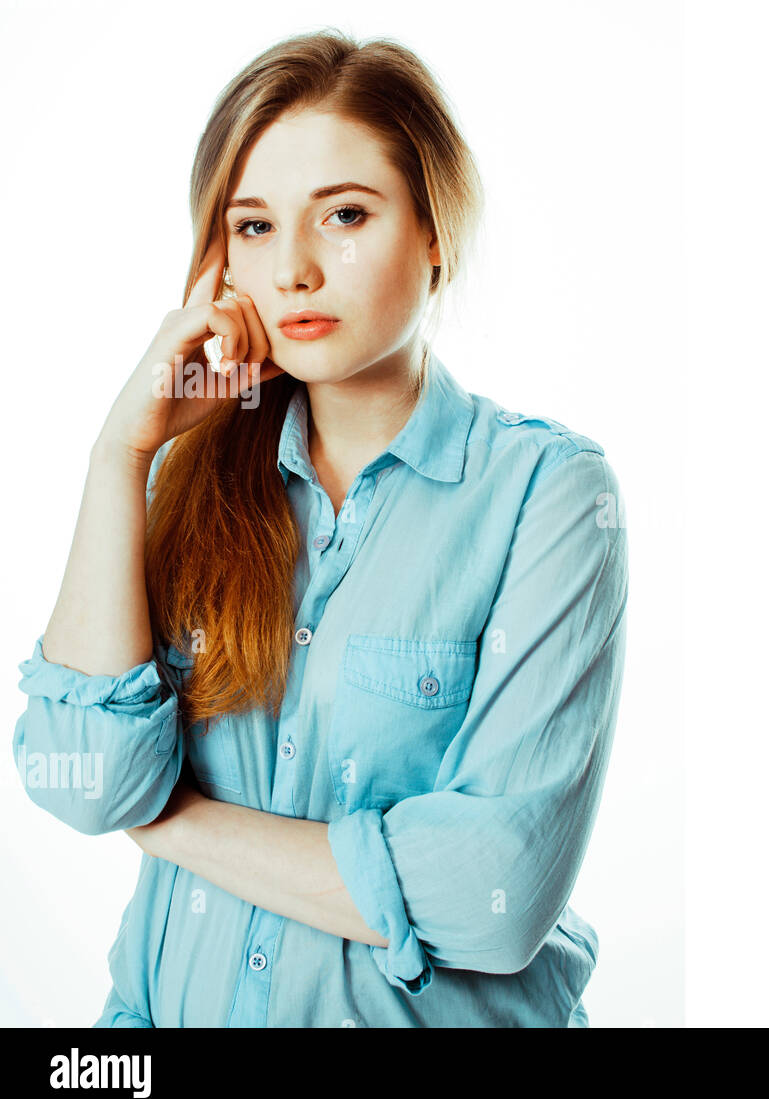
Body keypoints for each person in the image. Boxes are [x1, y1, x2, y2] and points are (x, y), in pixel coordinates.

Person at [11, 28, 628, 1028]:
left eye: (343, 214)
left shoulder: (544, 495)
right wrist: (119, 454)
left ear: (435, 230)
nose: (293, 268)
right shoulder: (179, 475)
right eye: (252, 227)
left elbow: (492, 897)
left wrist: (173, 821)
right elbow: (81, 781)